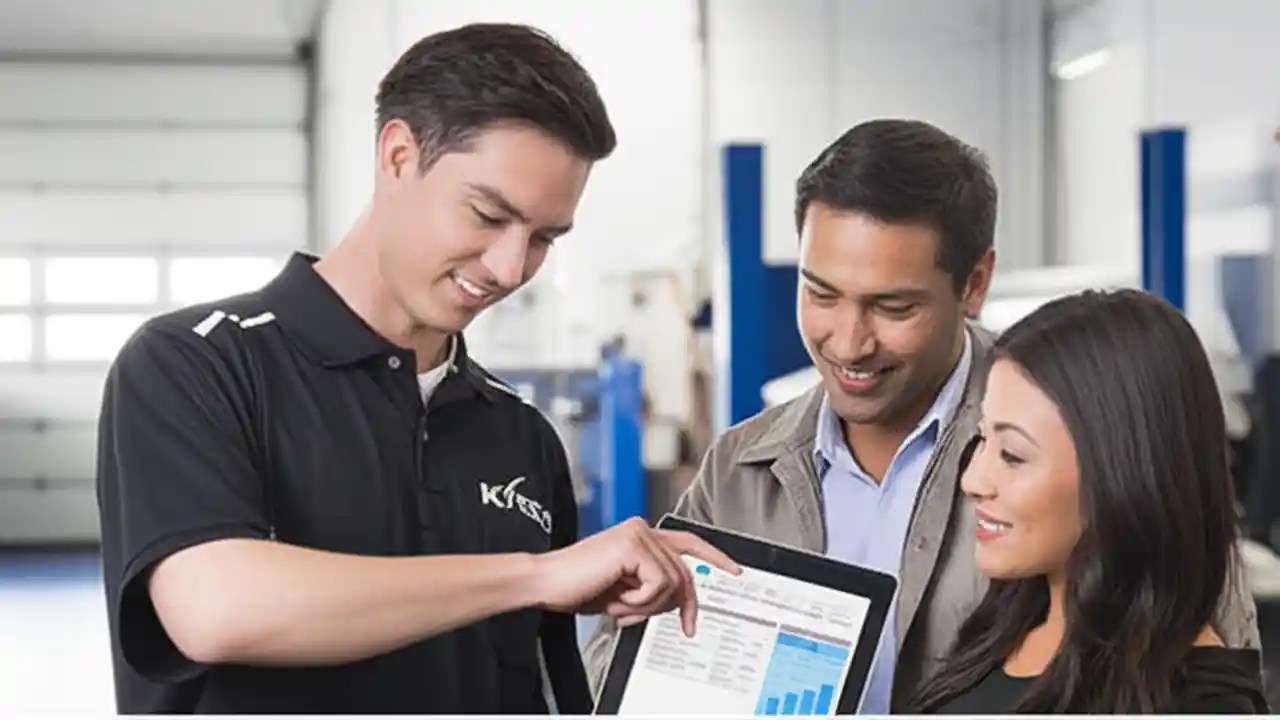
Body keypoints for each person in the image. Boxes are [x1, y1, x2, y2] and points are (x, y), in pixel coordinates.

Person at [95, 23, 737, 715]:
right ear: (399, 155)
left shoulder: (519, 434)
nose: (509, 268)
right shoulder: (195, 364)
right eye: (488, 215)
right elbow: (215, 608)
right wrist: (533, 575)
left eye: (543, 238)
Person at [582, 119, 1261, 712]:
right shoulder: (741, 467)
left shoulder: (1081, 427)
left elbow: (1201, 651)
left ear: (975, 283)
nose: (848, 343)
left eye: (893, 307)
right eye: (821, 293)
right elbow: (621, 673)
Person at [911, 289, 1270, 714]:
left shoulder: (1200, 701)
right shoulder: (1002, 628)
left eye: (1012, 454)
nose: (973, 480)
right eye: (983, 438)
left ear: (1120, 471)